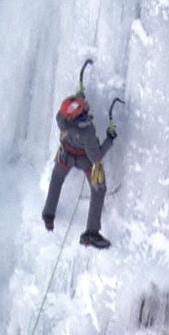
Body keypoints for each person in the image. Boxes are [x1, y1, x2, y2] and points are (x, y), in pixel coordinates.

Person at [42, 93, 116, 248]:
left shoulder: (61, 119)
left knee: (56, 179)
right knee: (99, 190)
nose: (86, 107)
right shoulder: (87, 132)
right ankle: (91, 233)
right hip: (85, 162)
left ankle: (48, 215)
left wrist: (77, 97)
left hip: (65, 156)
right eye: (83, 107)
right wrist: (109, 140)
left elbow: (65, 110)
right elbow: (96, 157)